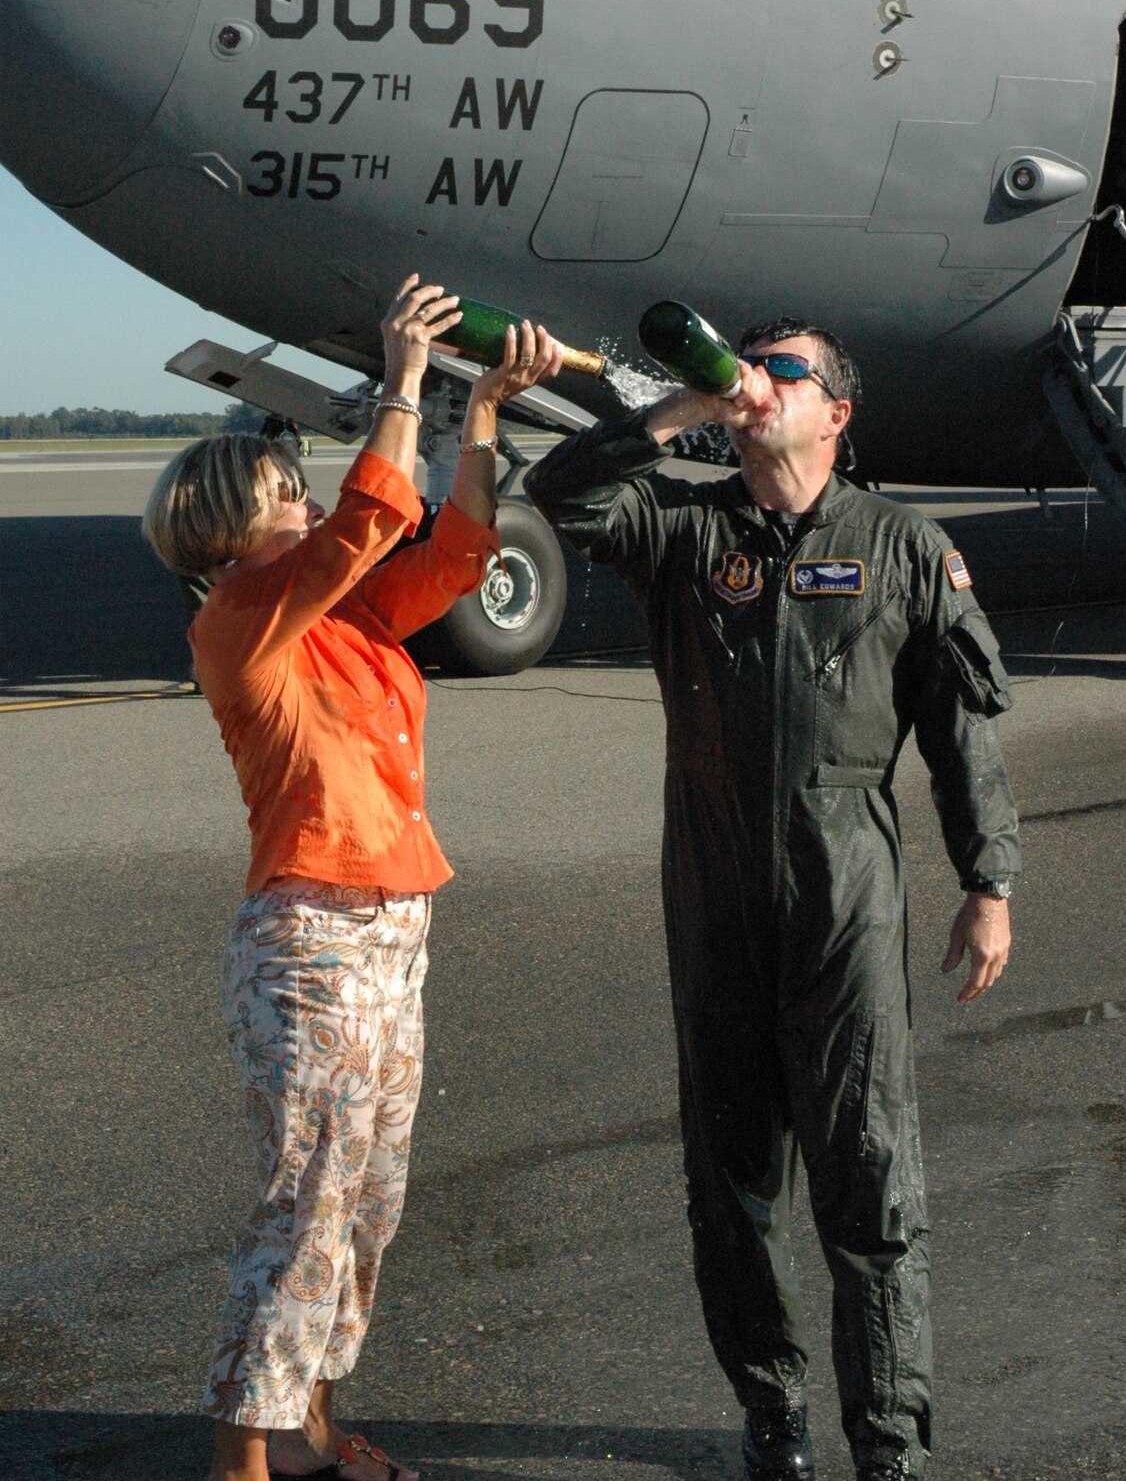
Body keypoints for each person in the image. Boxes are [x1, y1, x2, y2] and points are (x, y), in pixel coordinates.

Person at [526, 319, 1021, 1481]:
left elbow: (963, 735)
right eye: (752, 365)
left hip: (844, 895)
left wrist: (988, 880)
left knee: (869, 1183)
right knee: (731, 1187)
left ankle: (888, 1443)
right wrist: (681, 412)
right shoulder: (689, 528)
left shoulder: (902, 545)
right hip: (711, 896)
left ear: (837, 412)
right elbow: (564, 491)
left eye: (786, 369)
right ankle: (773, 1409)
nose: (762, 381)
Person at [142, 277, 563, 1481]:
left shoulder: (348, 617)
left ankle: (313, 1419)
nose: (307, 494)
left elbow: (460, 545)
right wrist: (401, 378)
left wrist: (480, 411)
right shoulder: (236, 619)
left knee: (369, 1199)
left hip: (395, 929)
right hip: (311, 942)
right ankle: (242, 1456)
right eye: (284, 488)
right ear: (234, 521)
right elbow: (373, 514)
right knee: (308, 1199)